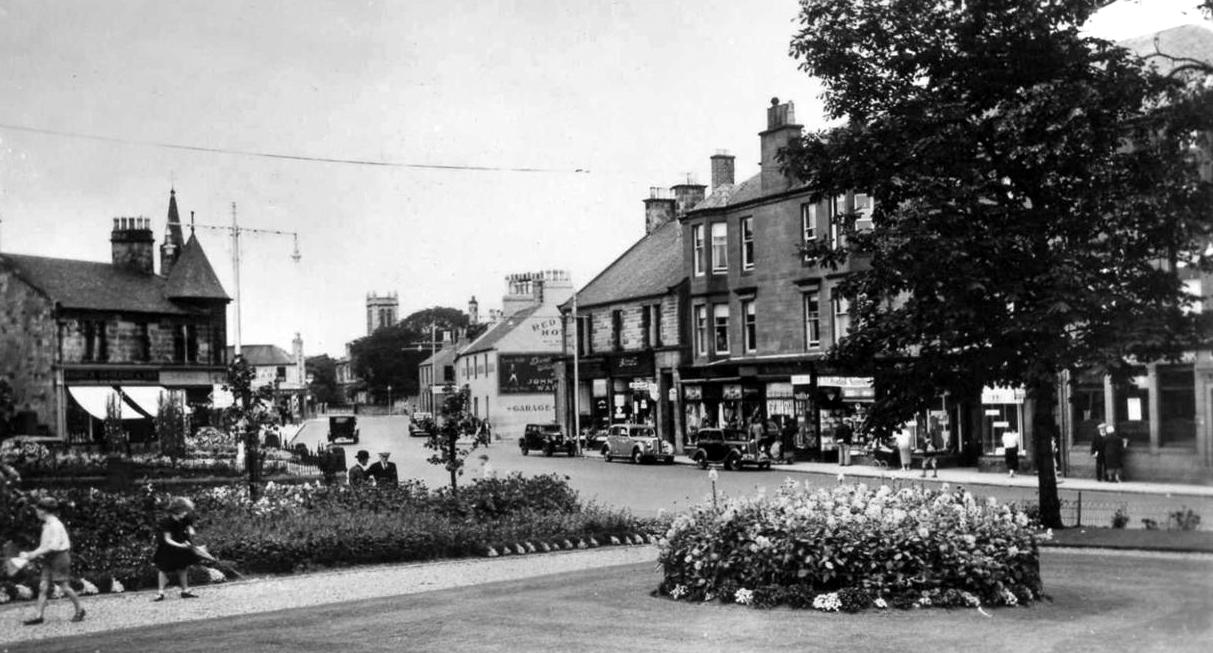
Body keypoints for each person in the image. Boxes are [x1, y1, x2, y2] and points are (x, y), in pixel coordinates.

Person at [19, 497, 85, 625]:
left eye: (38, 509)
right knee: (43, 586)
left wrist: (33, 554)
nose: (36, 512)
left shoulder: (55, 525)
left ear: (43, 511)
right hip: (49, 558)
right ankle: (38, 616)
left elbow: (53, 546)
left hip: (59, 557)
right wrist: (30, 554)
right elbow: (44, 546)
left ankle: (80, 610)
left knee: (64, 586)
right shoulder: (47, 525)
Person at [152, 496, 201, 601]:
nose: (186, 513)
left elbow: (189, 527)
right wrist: (180, 545)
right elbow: (167, 539)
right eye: (184, 511)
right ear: (177, 511)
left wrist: (191, 531)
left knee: (183, 567)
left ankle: (185, 591)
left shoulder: (185, 518)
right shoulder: (166, 522)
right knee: (163, 569)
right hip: (168, 547)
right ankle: (160, 592)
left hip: (182, 543)